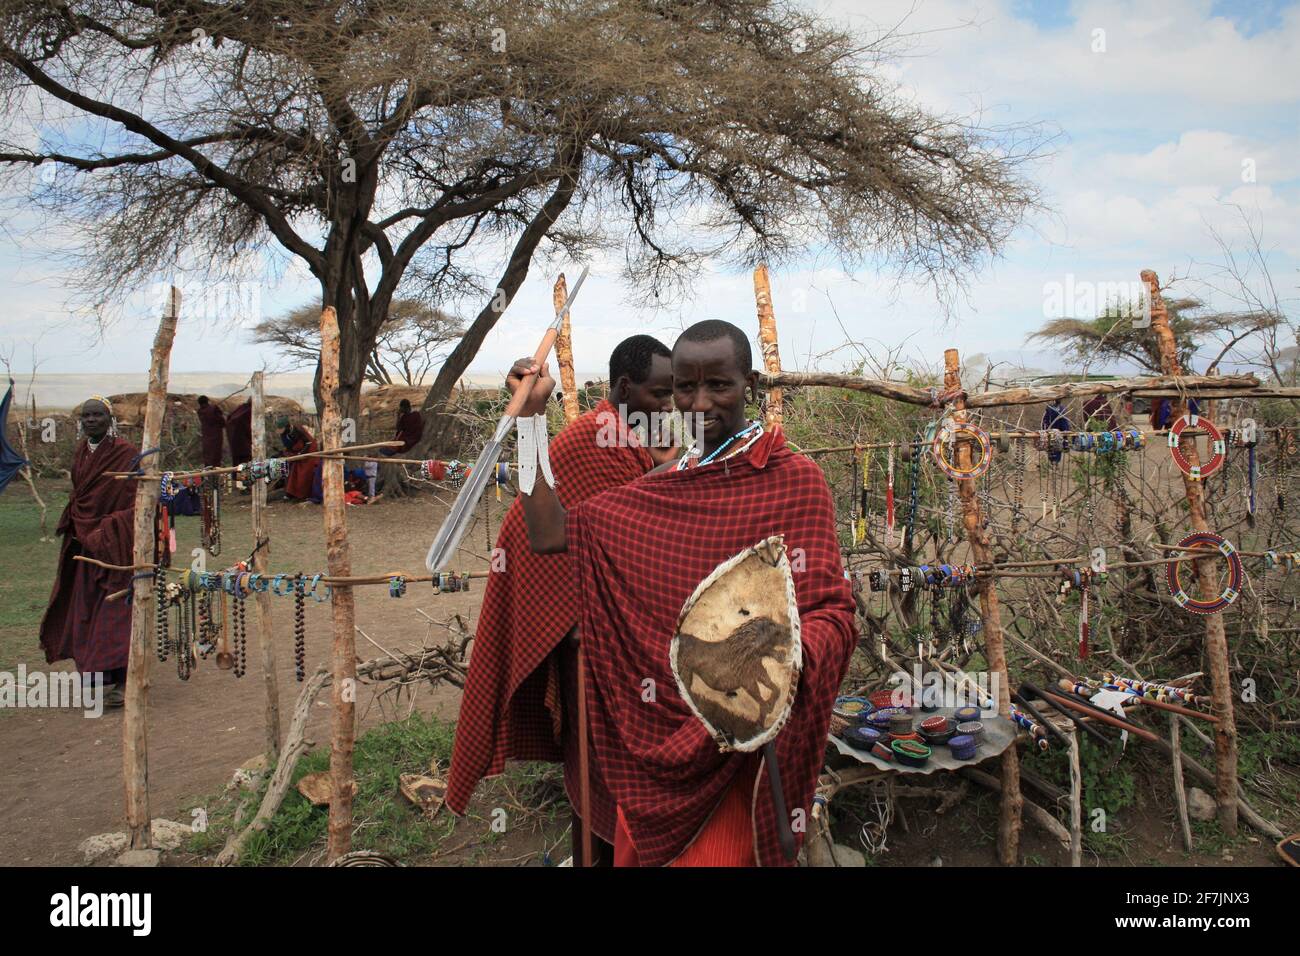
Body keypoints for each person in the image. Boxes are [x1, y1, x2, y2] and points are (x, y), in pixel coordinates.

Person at [509, 320, 856, 867]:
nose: (700, 403)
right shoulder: (661, 486)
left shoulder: (793, 481)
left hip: (743, 746)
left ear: (750, 385)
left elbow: (832, 611)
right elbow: (550, 532)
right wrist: (530, 423)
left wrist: (783, 657)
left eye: (719, 384)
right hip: (656, 743)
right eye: (685, 388)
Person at [447, 335, 677, 866]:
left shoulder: (636, 436)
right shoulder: (592, 439)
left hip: (630, 644)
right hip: (589, 645)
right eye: (660, 392)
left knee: (626, 777)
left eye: (674, 393)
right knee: (602, 774)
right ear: (624, 387)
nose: (669, 404)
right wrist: (532, 415)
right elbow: (541, 531)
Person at [38, 397, 140, 708]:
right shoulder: (82, 452)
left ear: (110, 419)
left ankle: (116, 683)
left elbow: (135, 501)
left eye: (98, 415)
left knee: (114, 614)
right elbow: (81, 494)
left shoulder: (126, 453)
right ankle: (99, 683)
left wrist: (108, 528)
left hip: (114, 548)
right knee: (84, 613)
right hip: (84, 546)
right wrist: (82, 526)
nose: (91, 420)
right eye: (86, 416)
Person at [278, 417, 318, 500]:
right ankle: (290, 493)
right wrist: (289, 454)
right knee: (289, 466)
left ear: (287, 426)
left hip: (309, 450)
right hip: (295, 451)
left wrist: (301, 454)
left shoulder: (298, 429)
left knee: (304, 470)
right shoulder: (283, 435)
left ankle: (303, 494)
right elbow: (288, 447)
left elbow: (308, 442)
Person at [196, 395, 226, 467]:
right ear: (207, 401)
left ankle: (208, 472)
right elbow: (222, 421)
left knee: (207, 455)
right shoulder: (214, 409)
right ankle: (216, 473)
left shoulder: (199, 411)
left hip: (206, 436)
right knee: (216, 455)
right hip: (216, 436)